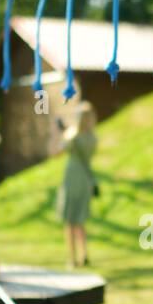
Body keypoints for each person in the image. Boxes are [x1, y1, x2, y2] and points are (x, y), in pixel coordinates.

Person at [55, 102, 97, 269]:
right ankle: (84, 254)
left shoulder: (73, 136)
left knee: (70, 221)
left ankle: (72, 258)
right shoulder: (93, 138)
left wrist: (64, 133)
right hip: (86, 180)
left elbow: (58, 152)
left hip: (72, 179)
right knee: (80, 221)